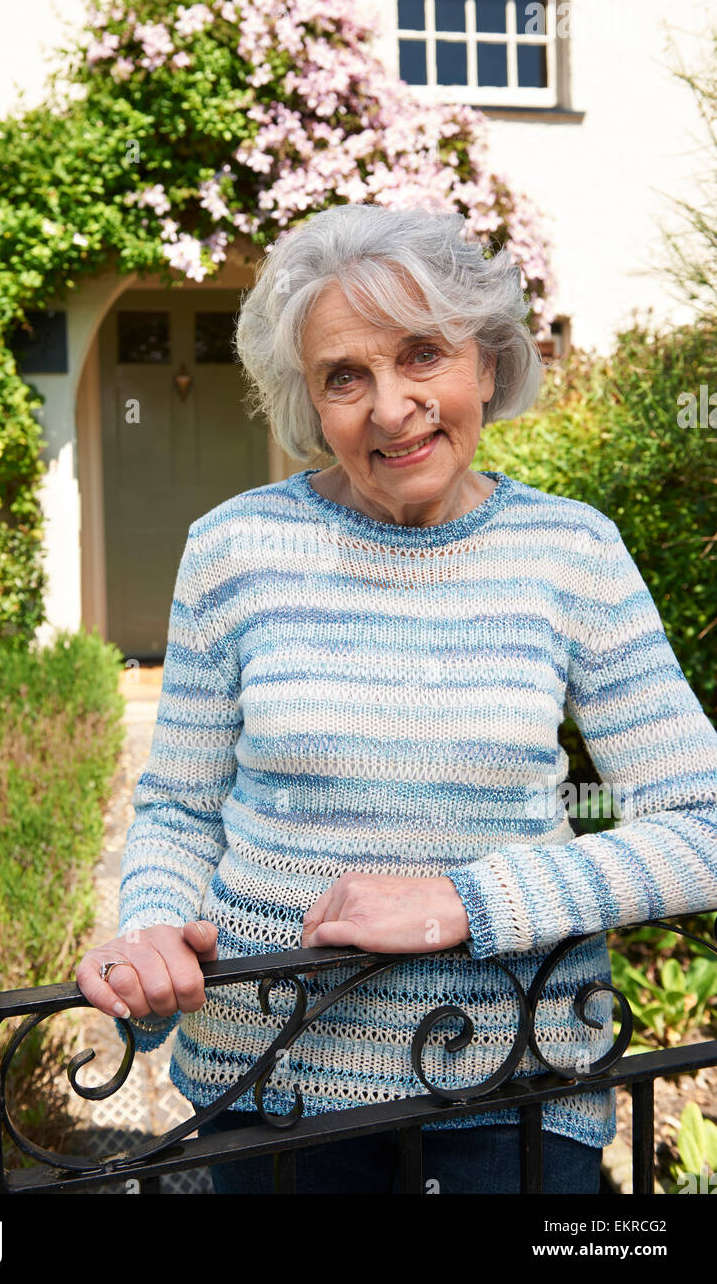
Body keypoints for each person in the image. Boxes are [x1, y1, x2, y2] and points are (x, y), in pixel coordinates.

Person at [77, 203, 717, 1194]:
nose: (388, 407)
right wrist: (153, 927)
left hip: (511, 1096)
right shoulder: (232, 549)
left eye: (421, 354)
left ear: (487, 363)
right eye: (345, 375)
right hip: (264, 1090)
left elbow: (701, 824)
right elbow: (179, 806)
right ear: (308, 399)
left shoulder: (570, 552)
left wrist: (462, 903)